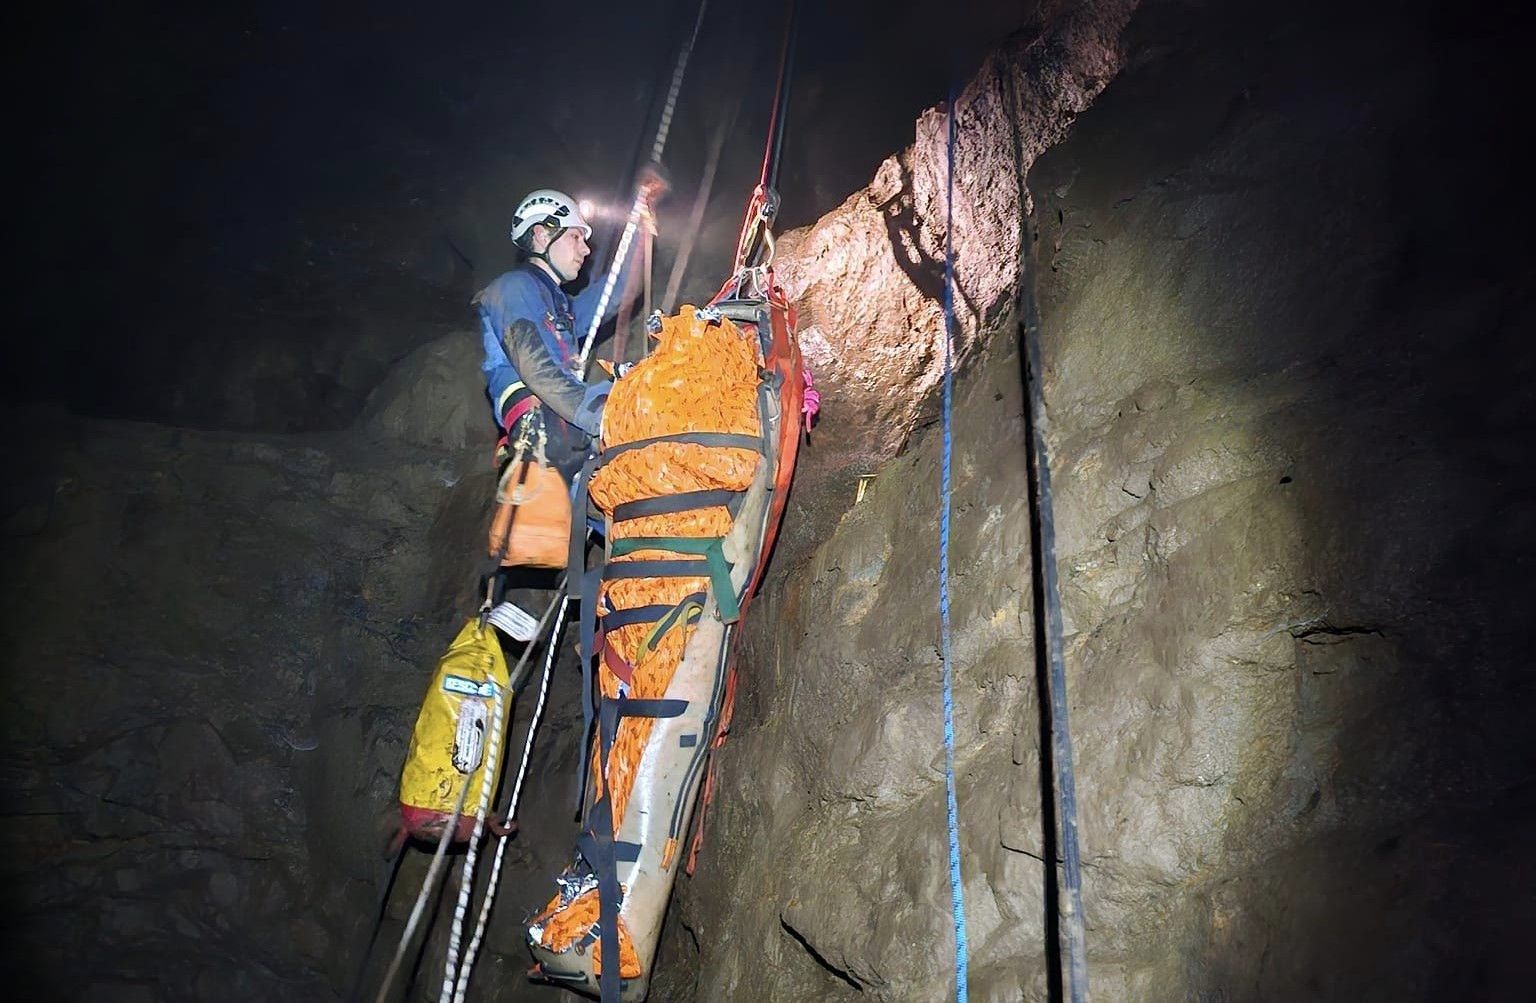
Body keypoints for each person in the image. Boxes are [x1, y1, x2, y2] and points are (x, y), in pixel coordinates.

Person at [474, 188, 630, 483]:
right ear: (542, 235)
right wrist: (598, 413)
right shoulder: (513, 288)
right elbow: (534, 367)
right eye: (575, 237)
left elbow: (614, 292)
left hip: (566, 428)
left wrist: (642, 229)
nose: (586, 250)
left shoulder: (560, 307)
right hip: (544, 431)